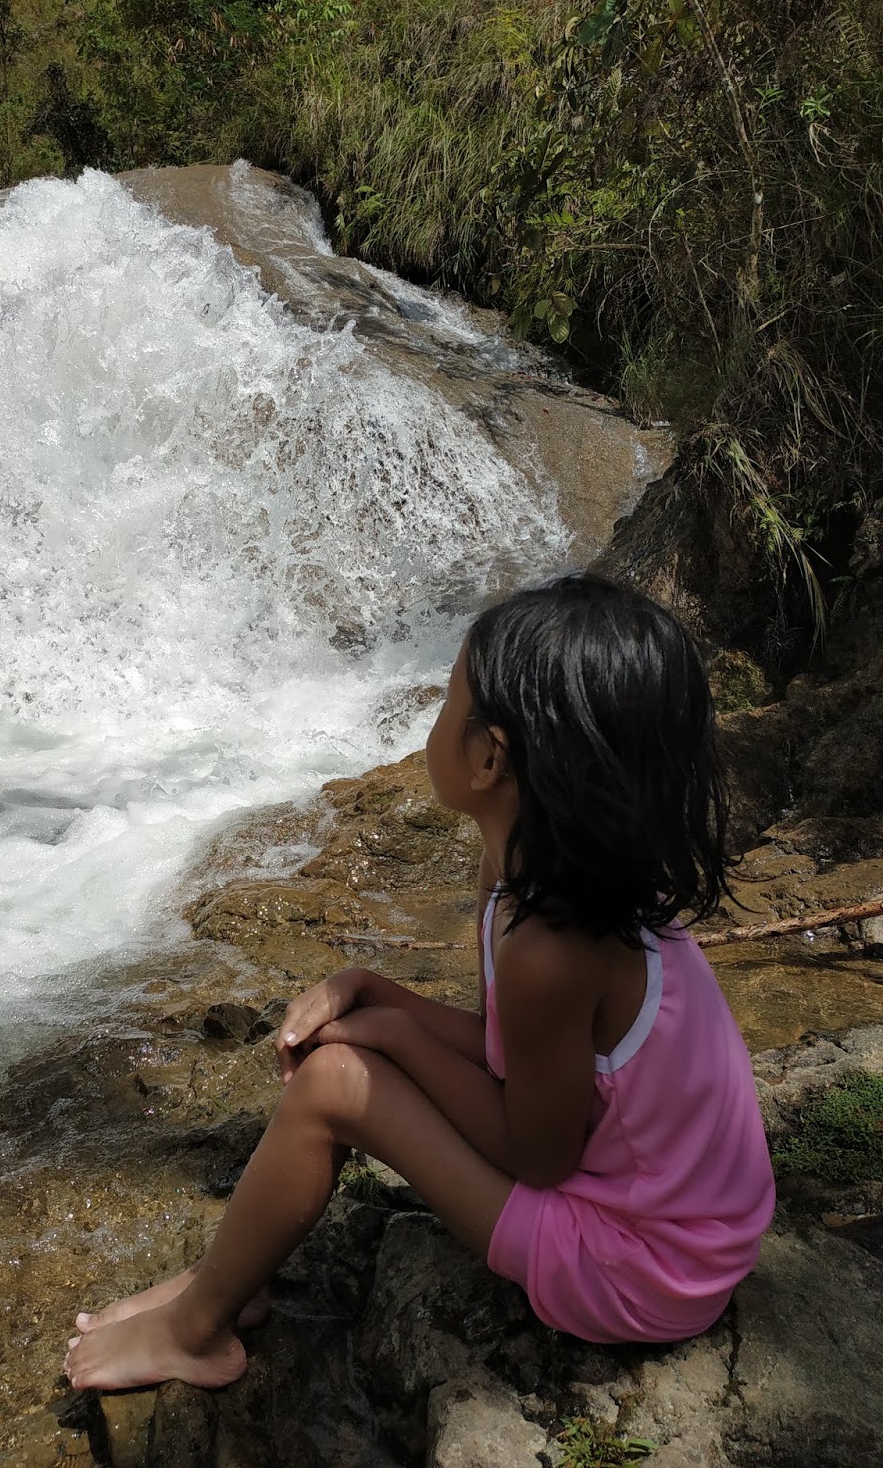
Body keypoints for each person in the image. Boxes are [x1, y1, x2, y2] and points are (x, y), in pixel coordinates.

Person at [63, 572, 776, 1391]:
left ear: (489, 757)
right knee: (350, 1063)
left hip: (639, 1272)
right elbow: (516, 1058)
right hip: (667, 1224)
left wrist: (397, 1035)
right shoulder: (551, 876)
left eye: (444, 701)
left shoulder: (552, 947)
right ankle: (231, 1273)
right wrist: (376, 990)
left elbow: (537, 1156)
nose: (433, 719)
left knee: (334, 1086)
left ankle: (195, 1332)